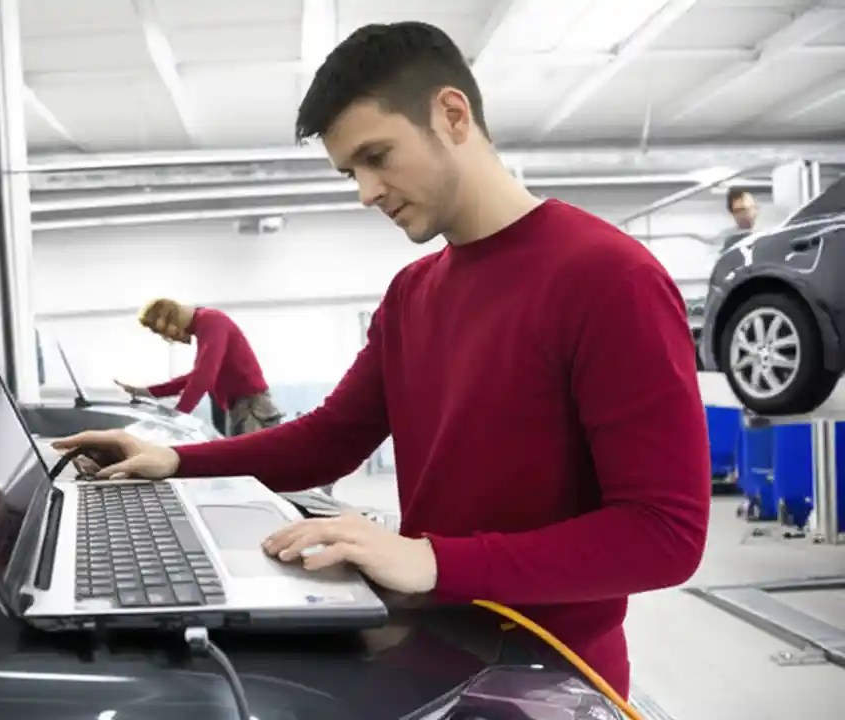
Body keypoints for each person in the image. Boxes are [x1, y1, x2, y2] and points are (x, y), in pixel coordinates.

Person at [56, 21, 710, 700]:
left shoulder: (609, 277)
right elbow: (330, 440)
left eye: (378, 156)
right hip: (433, 648)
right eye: (351, 172)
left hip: (549, 679)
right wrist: (178, 461)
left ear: (452, 115)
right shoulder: (412, 293)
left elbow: (664, 534)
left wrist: (430, 559)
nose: (366, 192)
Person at [116, 298, 283, 436]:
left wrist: (178, 416)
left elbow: (204, 376)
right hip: (239, 406)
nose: (168, 338)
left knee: (249, 467)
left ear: (172, 322)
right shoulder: (205, 324)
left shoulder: (211, 321)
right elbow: (197, 376)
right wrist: (148, 392)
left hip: (251, 407)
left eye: (164, 333)